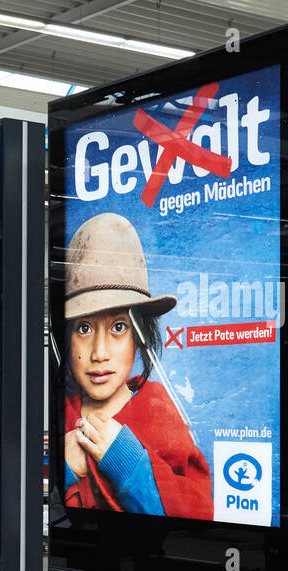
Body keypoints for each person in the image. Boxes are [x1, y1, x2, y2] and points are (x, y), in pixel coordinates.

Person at [61, 212, 212, 519]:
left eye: (119, 327)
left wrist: (126, 461)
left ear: (139, 338)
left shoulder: (159, 414)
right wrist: (63, 466)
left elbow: (198, 512)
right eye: (84, 329)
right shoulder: (57, 410)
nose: (99, 353)